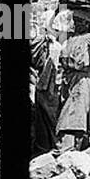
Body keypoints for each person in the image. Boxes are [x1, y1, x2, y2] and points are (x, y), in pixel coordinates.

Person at [56, 12, 90, 151]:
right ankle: (72, 144)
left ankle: (77, 144)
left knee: (79, 110)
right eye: (76, 21)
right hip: (71, 79)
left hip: (84, 79)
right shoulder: (72, 38)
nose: (77, 24)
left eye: (81, 22)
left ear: (87, 24)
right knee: (69, 109)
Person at [31, 27, 64, 156]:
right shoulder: (54, 46)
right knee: (51, 116)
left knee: (43, 116)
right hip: (50, 85)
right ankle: (52, 144)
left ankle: (44, 145)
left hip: (43, 84)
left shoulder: (39, 45)